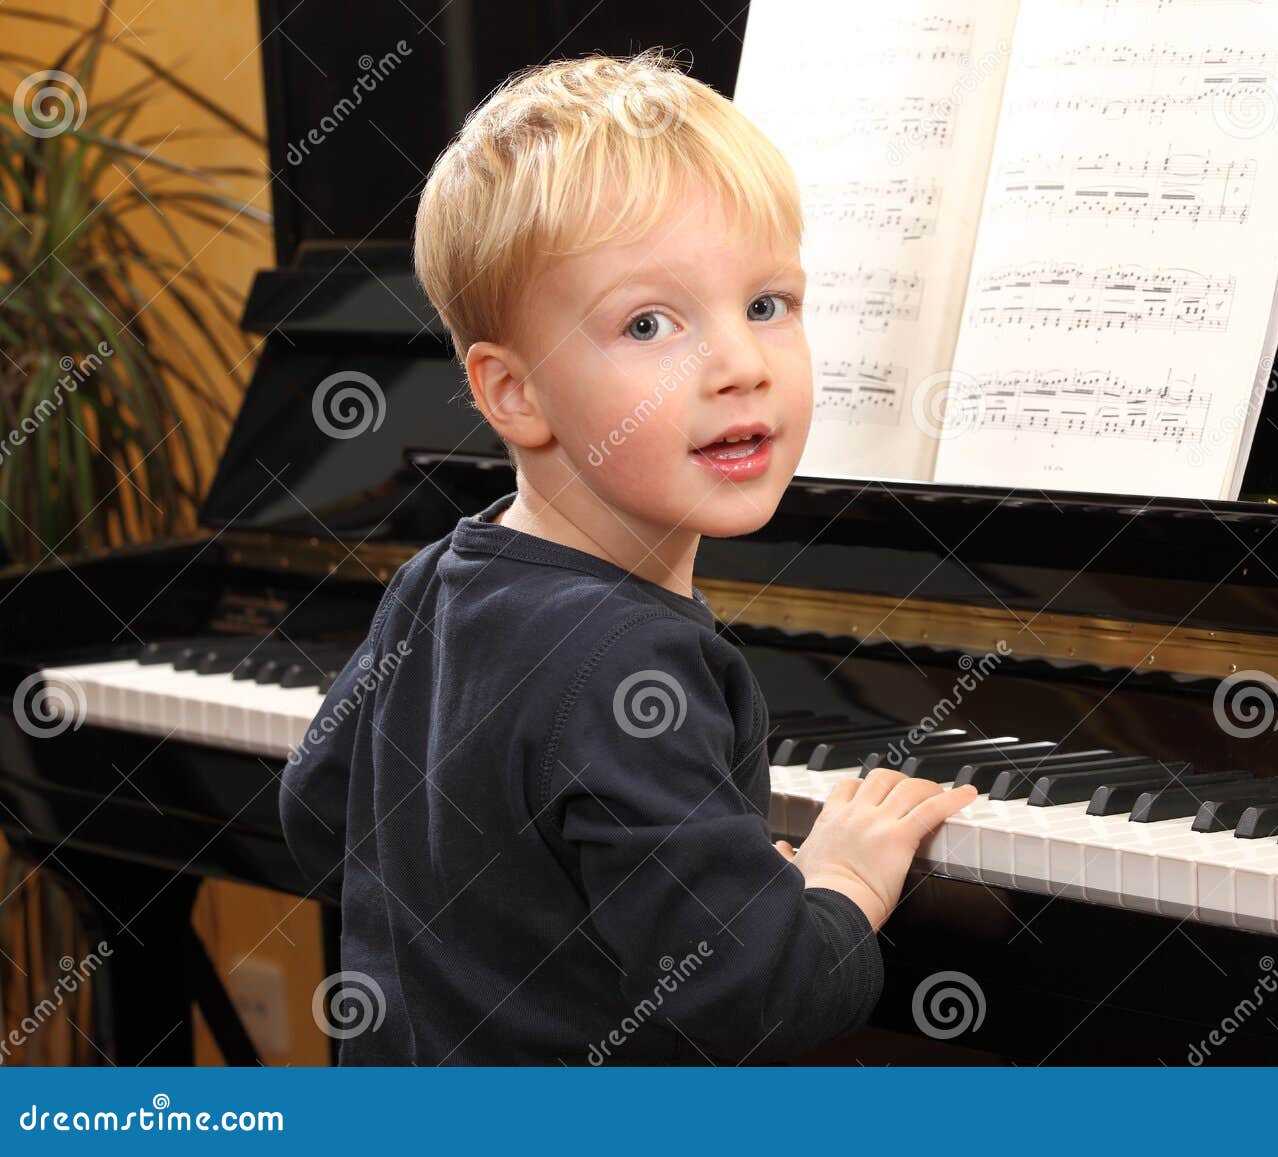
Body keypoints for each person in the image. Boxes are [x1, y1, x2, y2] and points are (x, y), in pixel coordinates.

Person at [278, 49, 977, 1065]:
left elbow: (315, 817)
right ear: (513, 392)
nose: (739, 364)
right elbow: (757, 997)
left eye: (768, 304)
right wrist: (842, 880)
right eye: (650, 323)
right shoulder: (630, 660)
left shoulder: (435, 576)